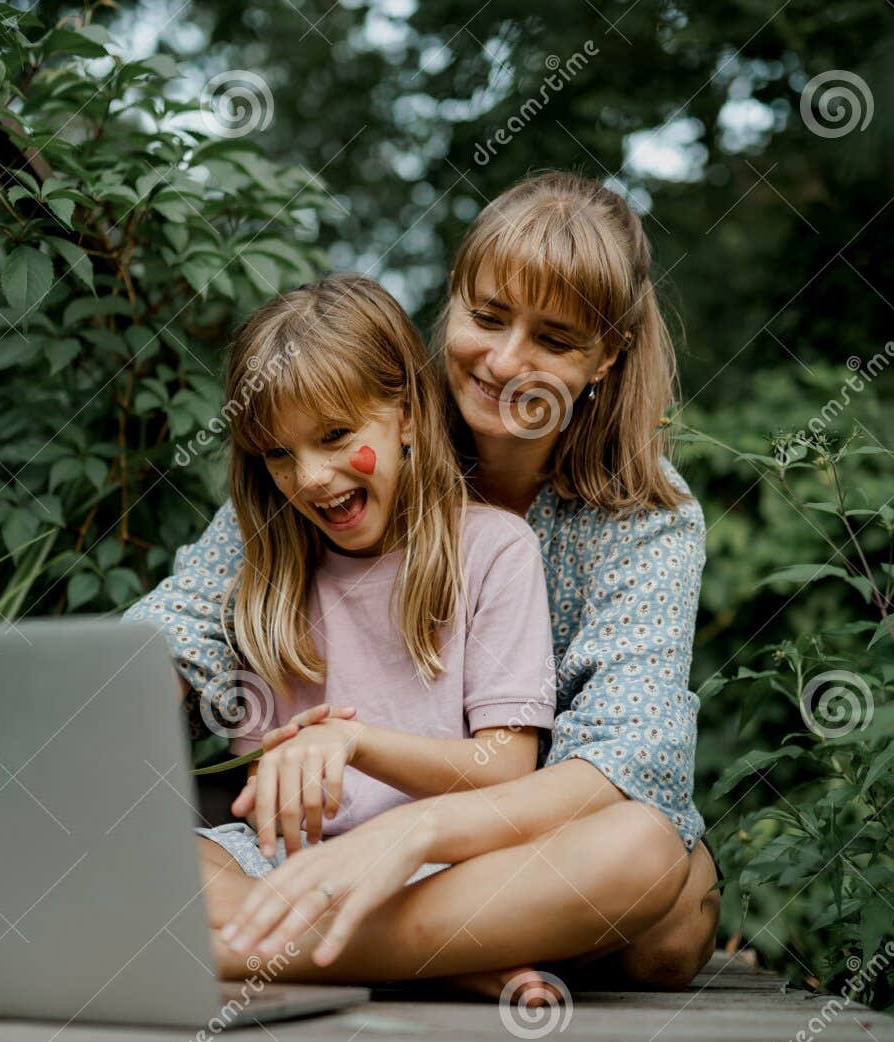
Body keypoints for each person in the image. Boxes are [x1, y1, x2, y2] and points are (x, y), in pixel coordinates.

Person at [130, 172, 718, 1000]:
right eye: (487, 317)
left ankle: (250, 947)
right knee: (140, 849)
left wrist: (414, 829)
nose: (505, 361)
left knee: (666, 905)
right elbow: (189, 613)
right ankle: (442, 954)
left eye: (553, 339)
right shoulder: (344, 427)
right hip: (327, 847)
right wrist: (110, 703)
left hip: (525, 833)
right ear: (453, 302)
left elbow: (627, 759)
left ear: (606, 354)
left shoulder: (645, 515)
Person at [126, 272, 558, 926]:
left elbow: (508, 769)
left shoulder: (495, 550)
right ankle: (393, 952)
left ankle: (287, 939)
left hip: (442, 859)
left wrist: (354, 742)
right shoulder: (271, 571)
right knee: (150, 864)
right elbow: (261, 799)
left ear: (407, 416)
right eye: (279, 453)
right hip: (291, 864)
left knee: (557, 874)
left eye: (333, 436)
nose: (309, 477)